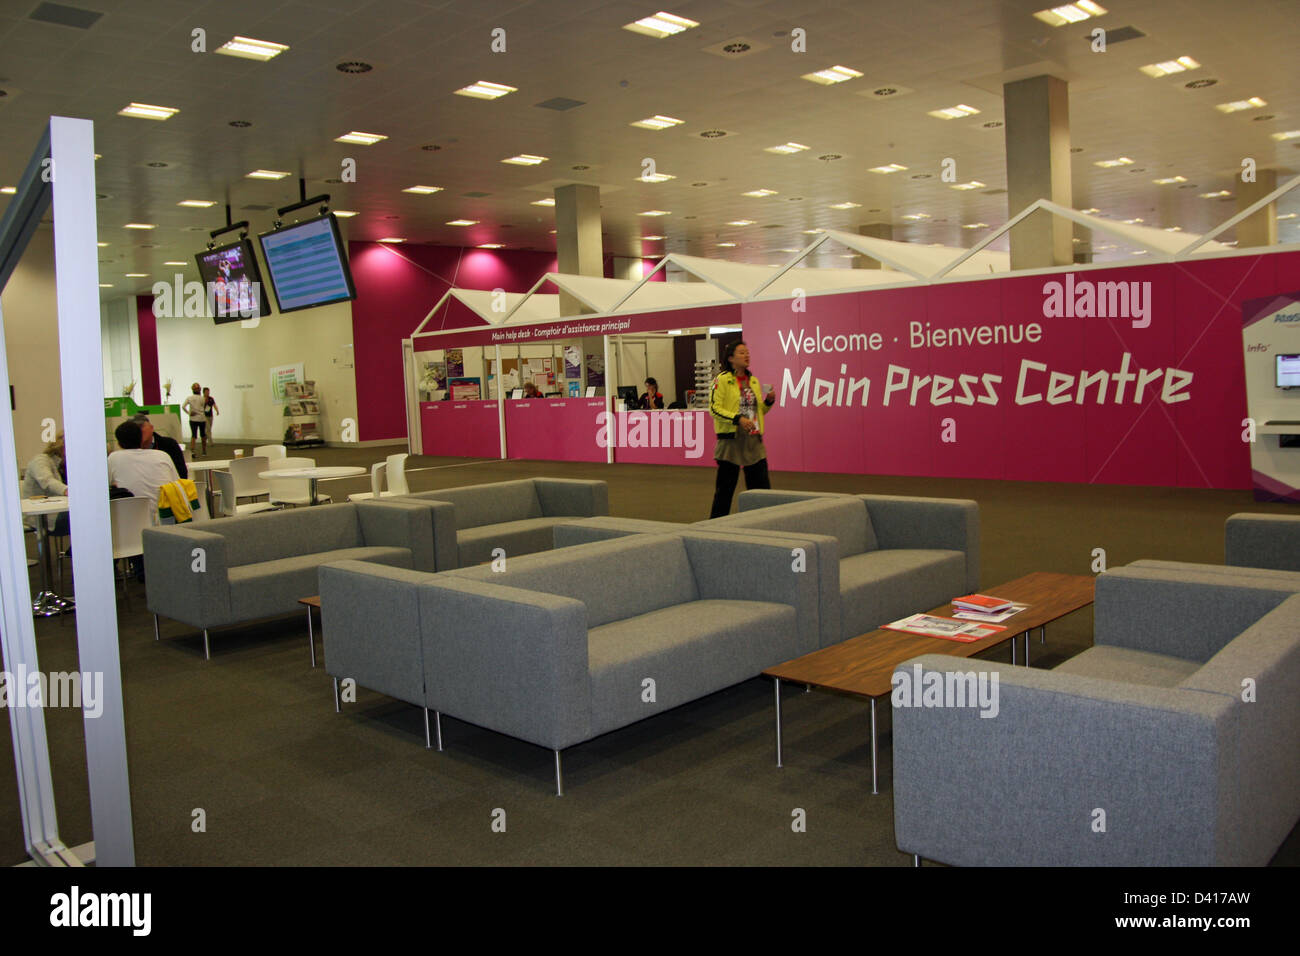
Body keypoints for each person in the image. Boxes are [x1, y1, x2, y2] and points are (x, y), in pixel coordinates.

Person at [708, 341, 776, 518]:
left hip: (753, 441)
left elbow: (758, 411)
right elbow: (714, 409)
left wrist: (768, 401)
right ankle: (714, 527)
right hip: (730, 441)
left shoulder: (753, 380)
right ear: (730, 358)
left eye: (747, 352)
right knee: (724, 492)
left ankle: (764, 522)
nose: (746, 355)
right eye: (741, 353)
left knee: (762, 491)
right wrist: (737, 419)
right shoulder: (721, 380)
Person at [108, 420, 179, 509]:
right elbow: (177, 484)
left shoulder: (114, 458)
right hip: (165, 516)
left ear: (119, 443)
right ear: (141, 438)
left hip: (131, 517)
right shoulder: (162, 456)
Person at [23, 433, 71, 535]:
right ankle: (72, 551)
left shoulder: (61, 465)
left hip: (57, 511)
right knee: (85, 516)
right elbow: (47, 480)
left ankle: (72, 551)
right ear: (62, 447)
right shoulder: (40, 460)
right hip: (40, 516)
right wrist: (67, 490)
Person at [132, 412, 187, 478]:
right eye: (134, 428)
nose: (138, 431)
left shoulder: (169, 444)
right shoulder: (129, 449)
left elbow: (181, 473)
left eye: (141, 427)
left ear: (151, 428)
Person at [182, 382, 208, 456]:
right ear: (199, 389)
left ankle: (193, 451)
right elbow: (204, 407)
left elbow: (183, 407)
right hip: (202, 419)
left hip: (193, 419)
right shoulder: (203, 398)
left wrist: (189, 413)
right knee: (203, 435)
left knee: (193, 435)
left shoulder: (189, 398)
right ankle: (204, 451)